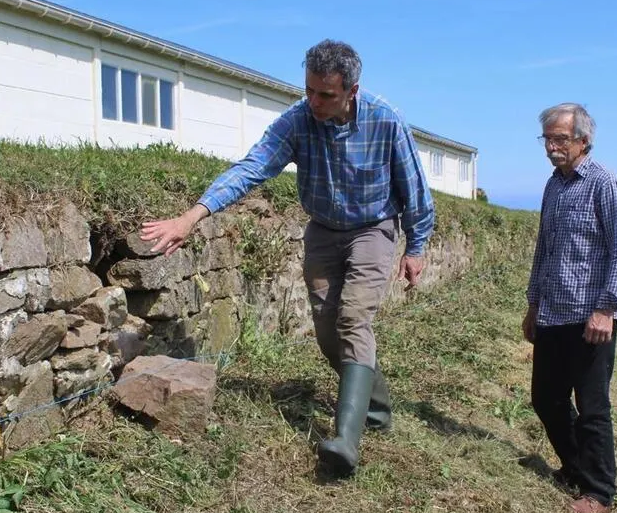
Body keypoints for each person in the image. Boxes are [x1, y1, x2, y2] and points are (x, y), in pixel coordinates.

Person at [139, 39, 435, 477]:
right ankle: (376, 405)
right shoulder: (298, 121)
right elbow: (251, 168)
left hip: (373, 229)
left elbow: (416, 191)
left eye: (326, 95)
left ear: (352, 91)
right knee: (327, 329)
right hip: (323, 231)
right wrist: (191, 217)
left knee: (354, 319)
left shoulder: (386, 121)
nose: (314, 102)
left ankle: (345, 442)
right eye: (309, 91)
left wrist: (416, 246)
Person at [521, 103, 617, 513]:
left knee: (592, 407)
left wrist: (607, 307)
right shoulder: (553, 185)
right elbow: (544, 250)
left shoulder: (606, 183)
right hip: (553, 312)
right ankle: (575, 468)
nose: (552, 147)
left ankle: (600, 491)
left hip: (592, 318)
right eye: (548, 139)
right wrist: (533, 303)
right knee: (546, 399)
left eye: (561, 139)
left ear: (583, 140)